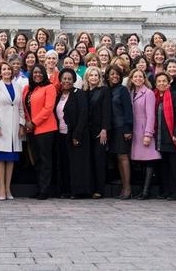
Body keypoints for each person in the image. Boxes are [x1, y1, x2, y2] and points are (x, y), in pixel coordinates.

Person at [0, 61, 25, 200]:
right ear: (0, 71)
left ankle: (8, 188)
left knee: (10, 160)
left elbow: (21, 108)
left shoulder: (17, 86)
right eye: (4, 69)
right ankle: (1, 189)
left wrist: (21, 125)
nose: (7, 72)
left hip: (14, 128)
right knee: (0, 159)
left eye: (9, 69)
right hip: (1, 127)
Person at [54, 68, 90, 198]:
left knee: (76, 164)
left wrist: (77, 134)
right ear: (60, 80)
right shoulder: (58, 95)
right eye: (64, 79)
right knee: (64, 163)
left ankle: (77, 191)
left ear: (74, 80)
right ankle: (65, 190)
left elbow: (83, 114)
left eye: (69, 79)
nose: (67, 81)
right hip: (61, 134)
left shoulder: (78, 93)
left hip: (75, 134)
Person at [23, 64, 57, 200]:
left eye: (40, 72)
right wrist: (27, 122)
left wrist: (33, 122)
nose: (37, 75)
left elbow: (48, 109)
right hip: (31, 130)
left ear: (44, 74)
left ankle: (45, 189)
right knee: (36, 160)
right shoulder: (27, 89)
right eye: (35, 73)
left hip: (46, 129)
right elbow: (25, 108)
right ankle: (39, 187)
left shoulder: (49, 88)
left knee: (45, 160)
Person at [152, 72, 176, 200]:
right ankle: (167, 190)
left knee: (175, 165)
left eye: (164, 81)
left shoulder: (175, 95)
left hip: (172, 136)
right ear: (155, 84)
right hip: (159, 137)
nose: (161, 83)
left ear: (169, 82)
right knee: (164, 165)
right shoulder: (154, 96)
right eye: (159, 81)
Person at [130, 69, 161, 200]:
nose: (138, 78)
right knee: (140, 161)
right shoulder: (131, 93)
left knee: (149, 161)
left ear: (144, 78)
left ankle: (146, 191)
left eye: (140, 76)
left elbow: (151, 115)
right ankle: (141, 190)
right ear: (131, 79)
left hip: (144, 130)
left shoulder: (148, 93)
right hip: (134, 130)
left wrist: (148, 134)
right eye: (135, 77)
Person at [83, 65, 110, 198]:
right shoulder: (84, 91)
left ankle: (99, 189)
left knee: (99, 160)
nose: (93, 78)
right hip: (86, 131)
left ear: (99, 78)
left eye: (96, 75)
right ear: (87, 77)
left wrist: (104, 129)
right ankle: (89, 188)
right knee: (87, 160)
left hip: (99, 131)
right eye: (91, 75)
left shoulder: (104, 90)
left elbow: (106, 111)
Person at [107, 65, 132, 199]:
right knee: (118, 158)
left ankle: (127, 188)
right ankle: (123, 186)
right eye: (112, 74)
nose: (115, 76)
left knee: (123, 157)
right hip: (112, 128)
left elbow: (128, 110)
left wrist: (128, 129)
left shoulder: (122, 90)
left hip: (122, 127)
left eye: (117, 74)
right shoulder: (109, 90)